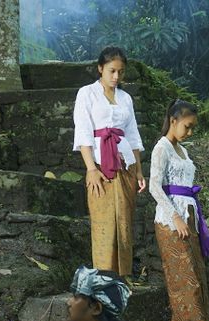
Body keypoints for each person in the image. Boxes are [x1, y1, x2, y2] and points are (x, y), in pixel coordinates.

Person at [148, 99, 209, 321]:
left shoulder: (181, 149)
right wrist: (176, 217)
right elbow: (154, 187)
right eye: (188, 126)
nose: (190, 131)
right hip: (171, 221)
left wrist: (190, 219)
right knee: (185, 276)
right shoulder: (162, 148)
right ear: (173, 120)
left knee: (194, 273)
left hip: (189, 217)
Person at [73, 46, 146, 277]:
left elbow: (133, 136)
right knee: (103, 222)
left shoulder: (126, 99)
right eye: (112, 71)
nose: (116, 77)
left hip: (125, 165)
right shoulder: (87, 93)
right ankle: (104, 276)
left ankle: (122, 278)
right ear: (100, 69)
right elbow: (84, 132)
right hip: (100, 165)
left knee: (124, 222)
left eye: (121, 72)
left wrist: (139, 171)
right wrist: (91, 169)